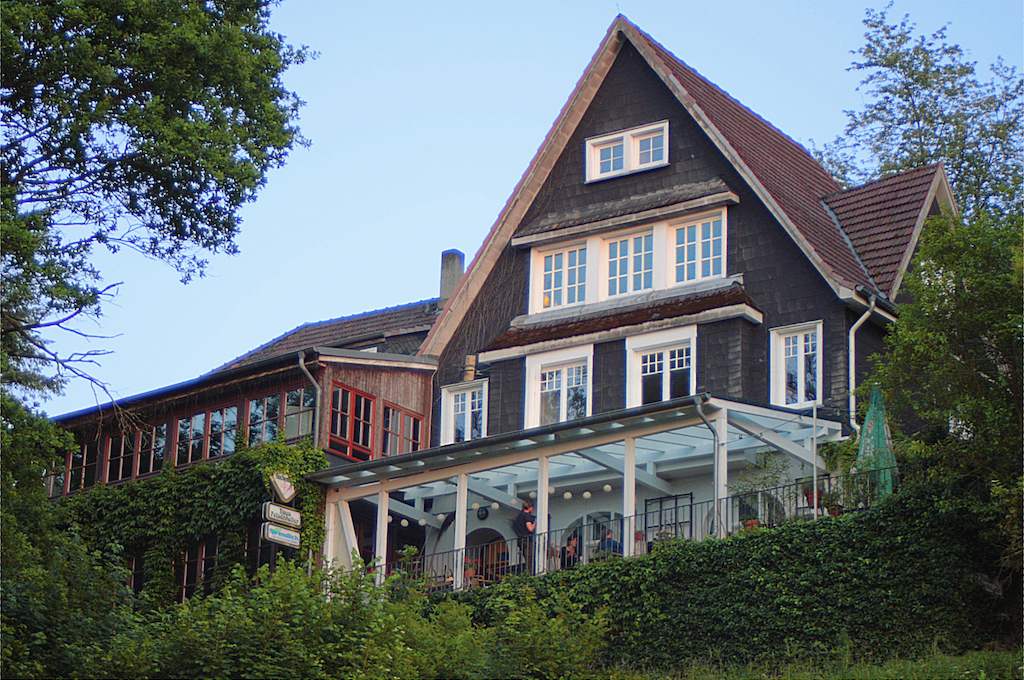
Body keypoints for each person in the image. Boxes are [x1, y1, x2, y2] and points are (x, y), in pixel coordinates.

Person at [511, 500, 536, 573]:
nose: (532, 509)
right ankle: (530, 573)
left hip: (521, 540)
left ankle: (528, 572)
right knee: (530, 558)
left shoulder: (519, 517)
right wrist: (535, 523)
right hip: (527, 540)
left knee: (526, 558)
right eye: (532, 507)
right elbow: (530, 528)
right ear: (529, 507)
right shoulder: (527, 516)